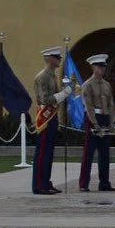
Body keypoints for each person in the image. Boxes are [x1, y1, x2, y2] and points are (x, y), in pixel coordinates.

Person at [33, 46, 70, 195]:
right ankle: (39, 185)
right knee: (43, 151)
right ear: (49, 59)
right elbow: (45, 99)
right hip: (45, 116)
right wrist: (62, 95)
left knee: (49, 151)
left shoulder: (52, 75)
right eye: (56, 57)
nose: (59, 60)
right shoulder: (43, 76)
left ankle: (46, 182)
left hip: (51, 115)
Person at [79, 53, 115, 192]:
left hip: (104, 117)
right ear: (93, 67)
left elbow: (111, 104)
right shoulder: (87, 85)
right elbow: (88, 106)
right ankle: (84, 184)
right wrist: (95, 124)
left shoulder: (106, 85)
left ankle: (104, 183)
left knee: (105, 154)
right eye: (99, 67)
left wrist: (112, 121)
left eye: (103, 67)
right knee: (88, 153)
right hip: (92, 119)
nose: (102, 69)